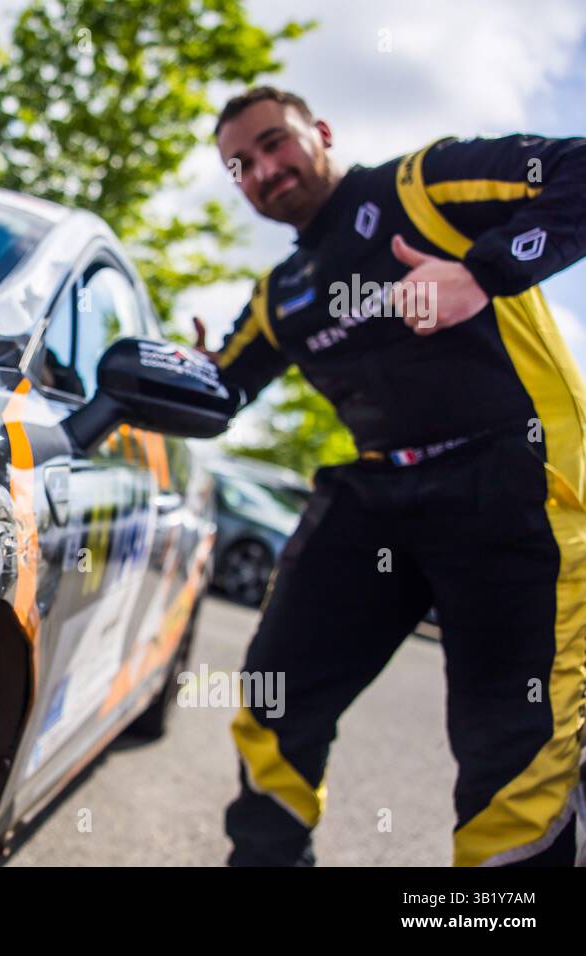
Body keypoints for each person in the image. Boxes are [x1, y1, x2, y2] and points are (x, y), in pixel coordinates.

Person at [202, 86, 586, 866]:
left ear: (324, 131)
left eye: (275, 143)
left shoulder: (427, 184)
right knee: (275, 693)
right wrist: (184, 374)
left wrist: (482, 271)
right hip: (384, 494)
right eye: (241, 165)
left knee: (511, 746)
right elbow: (220, 390)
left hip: (515, 482)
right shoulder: (283, 296)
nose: (264, 170)